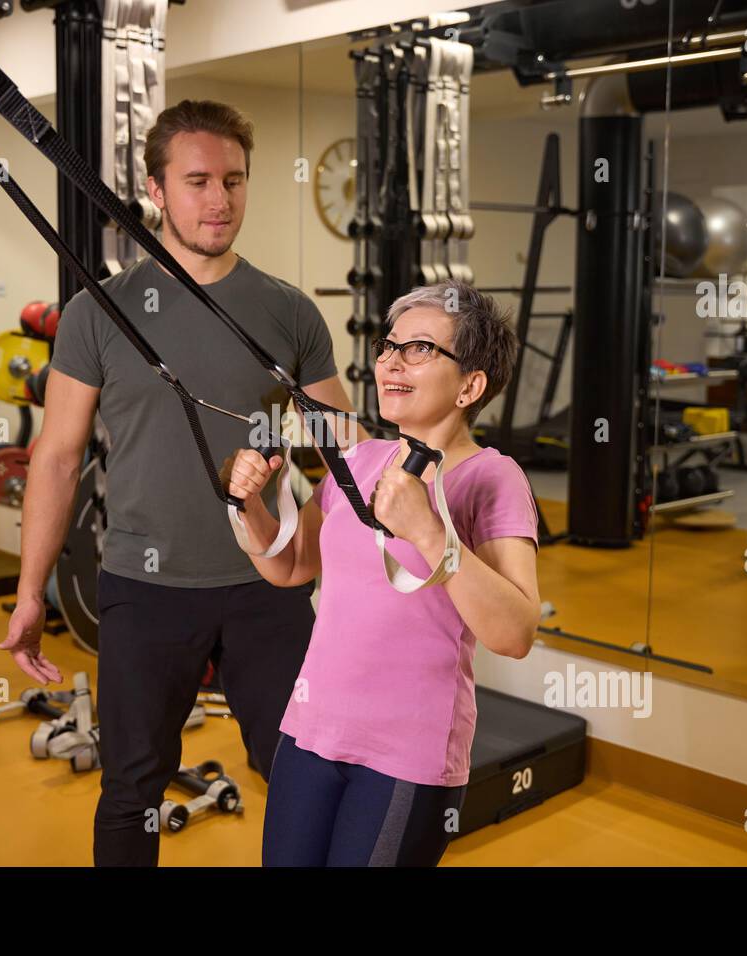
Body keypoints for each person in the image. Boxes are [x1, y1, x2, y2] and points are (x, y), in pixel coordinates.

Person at [0, 99, 362, 866]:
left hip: (267, 587)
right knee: (132, 787)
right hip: (144, 583)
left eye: (233, 179)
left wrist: (344, 562)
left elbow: (345, 455)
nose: (220, 199)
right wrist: (32, 590)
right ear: (155, 191)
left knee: (300, 771)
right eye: (197, 180)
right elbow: (58, 459)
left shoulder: (289, 311)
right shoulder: (97, 313)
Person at [225, 279, 541, 866]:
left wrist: (429, 532)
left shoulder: (492, 478)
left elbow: (516, 632)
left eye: (420, 349)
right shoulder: (361, 460)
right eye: (389, 345)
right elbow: (291, 567)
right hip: (311, 732)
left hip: (409, 755)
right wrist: (249, 504)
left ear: (471, 385)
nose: (392, 361)